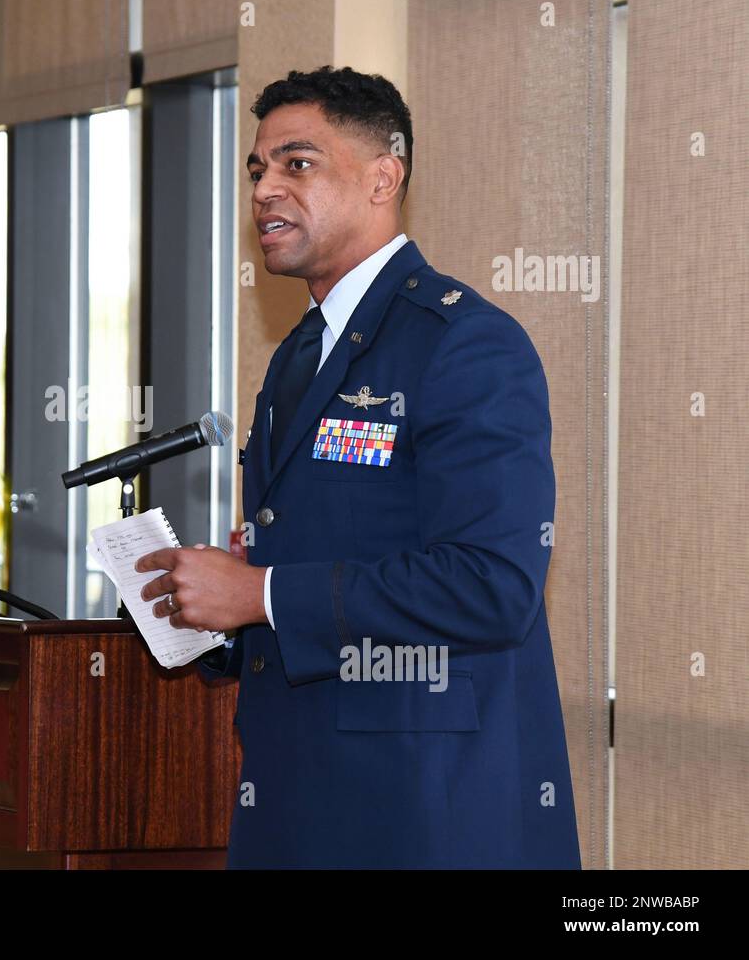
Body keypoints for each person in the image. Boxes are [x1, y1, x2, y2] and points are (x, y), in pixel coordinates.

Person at [134, 66, 579, 869]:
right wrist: (220, 607)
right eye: (257, 169)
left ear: (384, 177)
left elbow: (493, 584)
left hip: (422, 810)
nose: (265, 188)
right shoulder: (298, 355)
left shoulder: (464, 343)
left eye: (297, 163)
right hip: (295, 797)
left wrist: (261, 592)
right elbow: (328, 568)